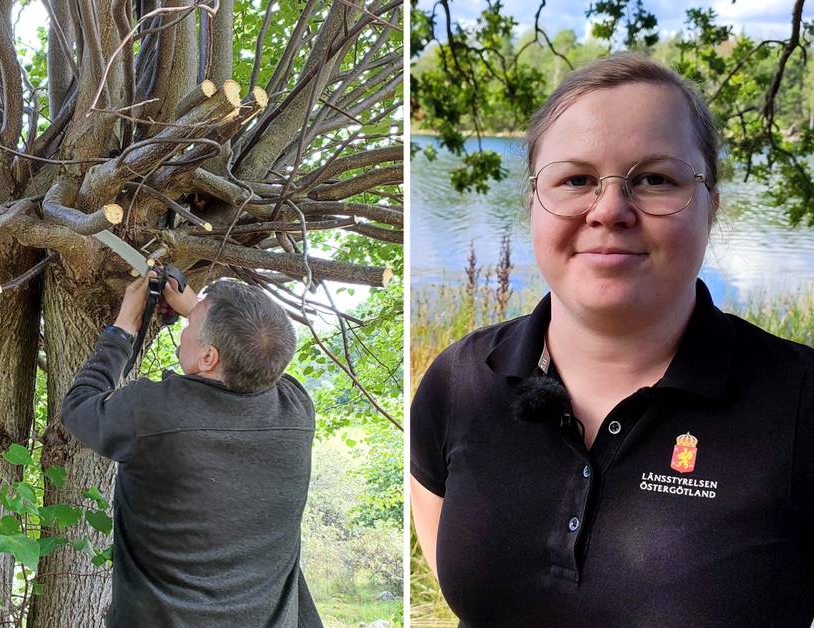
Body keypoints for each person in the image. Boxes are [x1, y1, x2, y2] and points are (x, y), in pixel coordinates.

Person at [409, 54, 814, 625]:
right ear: (532, 203)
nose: (610, 210)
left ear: (712, 206)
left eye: (655, 179)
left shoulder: (799, 403)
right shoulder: (461, 381)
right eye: (575, 179)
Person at [62, 274, 323, 627]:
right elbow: (258, 361)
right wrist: (198, 310)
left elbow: (79, 407)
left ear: (208, 357)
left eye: (192, 325)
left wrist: (123, 328)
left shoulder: (153, 413)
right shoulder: (296, 410)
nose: (185, 329)